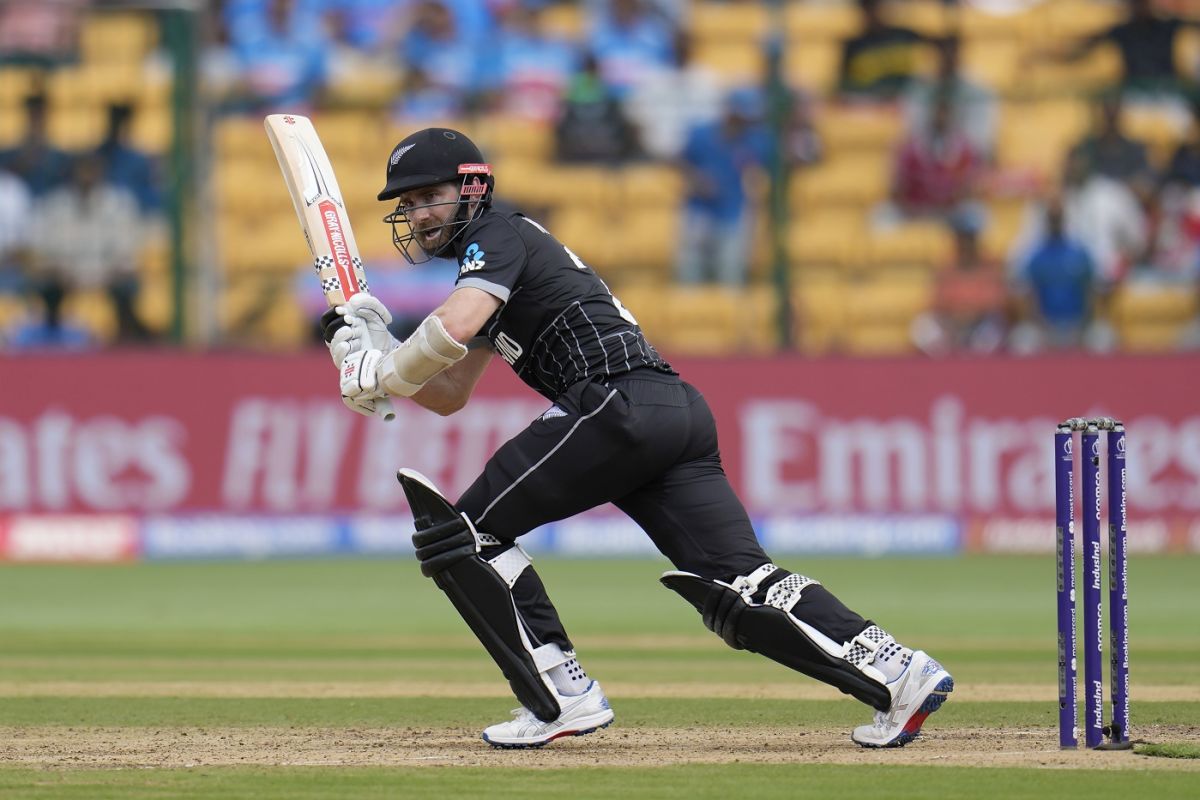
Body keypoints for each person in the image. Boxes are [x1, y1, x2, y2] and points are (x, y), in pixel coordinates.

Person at [321, 126, 954, 749]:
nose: (415, 214)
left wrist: (382, 368)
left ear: (473, 187)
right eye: (406, 205)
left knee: (465, 537)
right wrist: (374, 355)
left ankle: (561, 695)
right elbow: (448, 393)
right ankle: (900, 672)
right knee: (742, 583)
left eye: (425, 196)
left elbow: (453, 325)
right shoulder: (503, 257)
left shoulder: (498, 232)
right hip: (673, 411)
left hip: (614, 401)